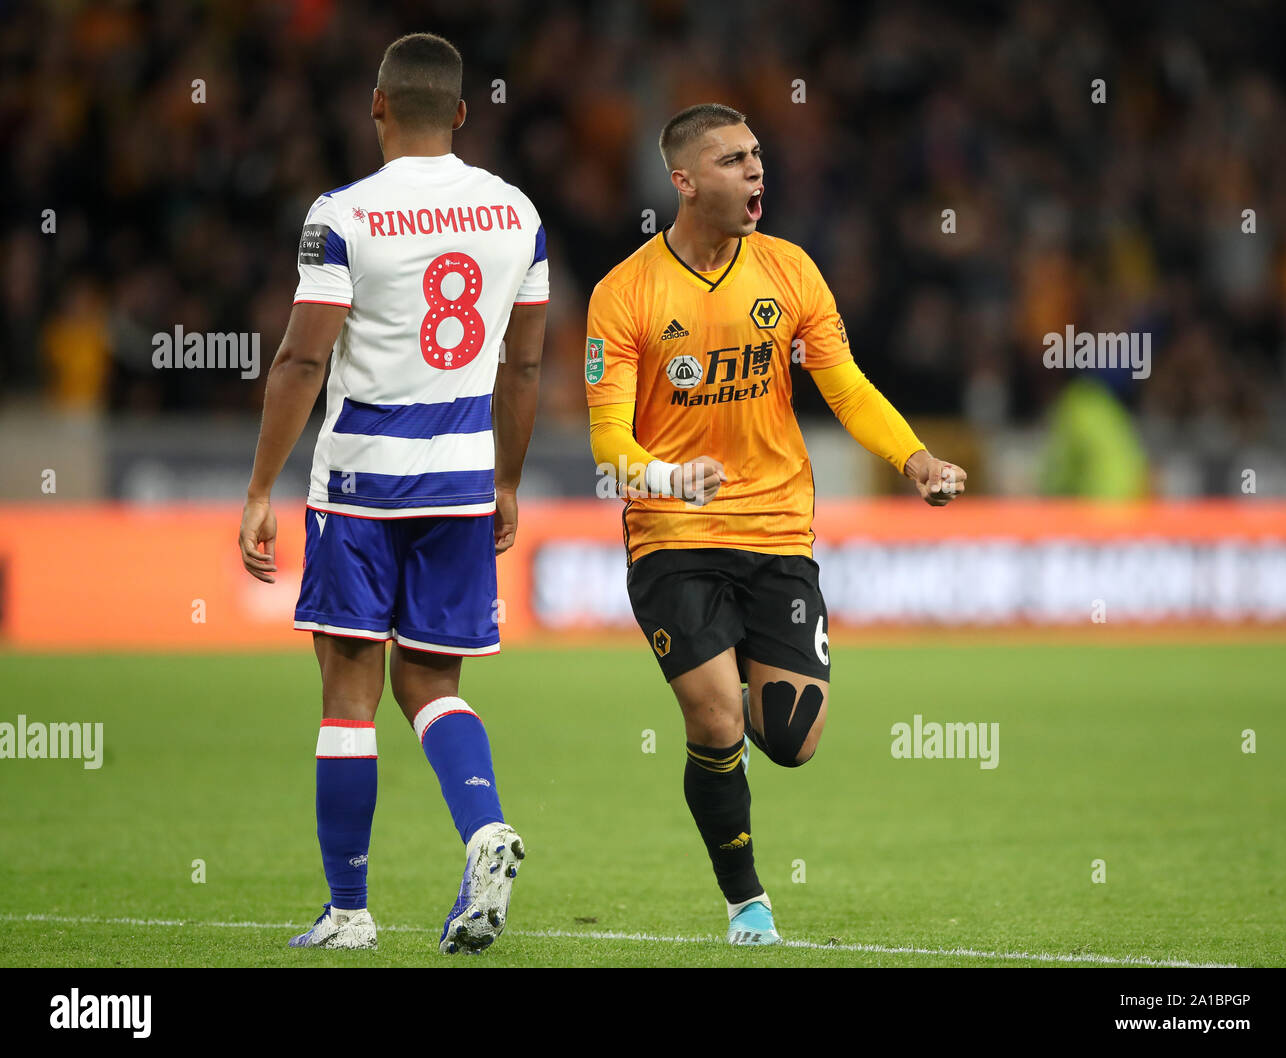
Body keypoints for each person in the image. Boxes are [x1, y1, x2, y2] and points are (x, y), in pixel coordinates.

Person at [585, 103, 966, 945]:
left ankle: (734, 751)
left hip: (779, 529)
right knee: (716, 719)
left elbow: (848, 386)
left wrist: (916, 461)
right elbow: (608, 438)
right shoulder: (625, 293)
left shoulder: (791, 271)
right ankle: (747, 901)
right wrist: (668, 477)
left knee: (789, 739)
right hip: (672, 534)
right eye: (731, 161)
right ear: (683, 182)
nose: (756, 171)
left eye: (757, 155)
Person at [238, 33, 547, 955]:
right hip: (459, 478)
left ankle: (349, 911)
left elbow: (302, 354)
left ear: (377, 106)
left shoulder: (343, 214)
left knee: (348, 695)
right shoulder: (518, 212)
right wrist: (506, 479)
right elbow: (524, 364)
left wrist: (259, 487)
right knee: (431, 682)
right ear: (460, 112)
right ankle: (484, 829)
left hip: (364, 481)